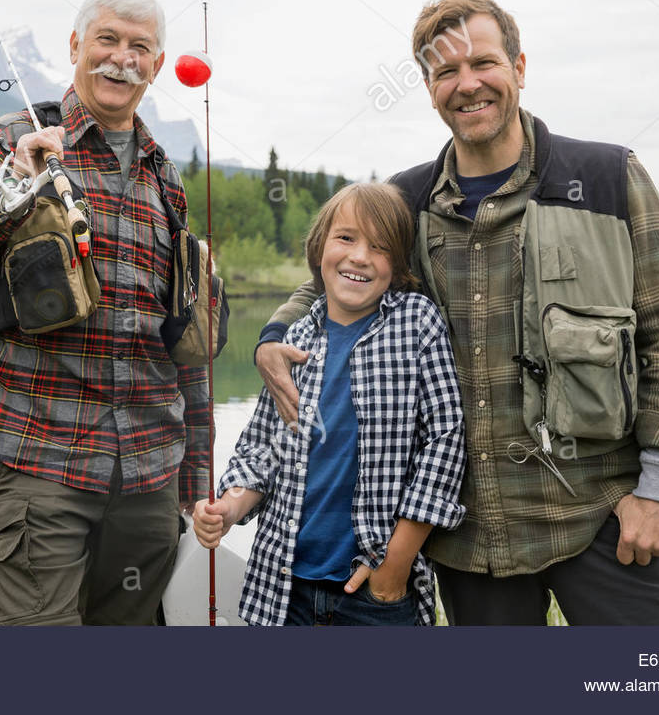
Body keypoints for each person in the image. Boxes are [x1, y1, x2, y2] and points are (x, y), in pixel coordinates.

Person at [255, 0, 659, 625]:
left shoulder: (608, 176)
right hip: (471, 539)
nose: (467, 84)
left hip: (605, 512)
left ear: (520, 67)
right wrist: (272, 336)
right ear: (428, 87)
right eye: (446, 72)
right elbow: (330, 278)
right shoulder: (405, 199)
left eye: (484, 63)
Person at [0, 0, 208, 625]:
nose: (121, 58)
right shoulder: (12, 138)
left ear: (156, 66)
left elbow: (185, 340)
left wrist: (198, 475)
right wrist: (14, 182)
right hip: (40, 469)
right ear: (75, 45)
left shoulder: (166, 176)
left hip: (150, 482)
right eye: (106, 40)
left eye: (139, 48)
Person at [194, 182, 465, 626]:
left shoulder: (418, 322)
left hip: (374, 590)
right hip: (283, 588)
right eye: (346, 238)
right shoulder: (295, 339)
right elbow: (261, 451)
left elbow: (446, 440)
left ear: (397, 266)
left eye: (379, 248)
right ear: (320, 247)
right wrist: (229, 507)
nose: (359, 256)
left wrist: (394, 566)